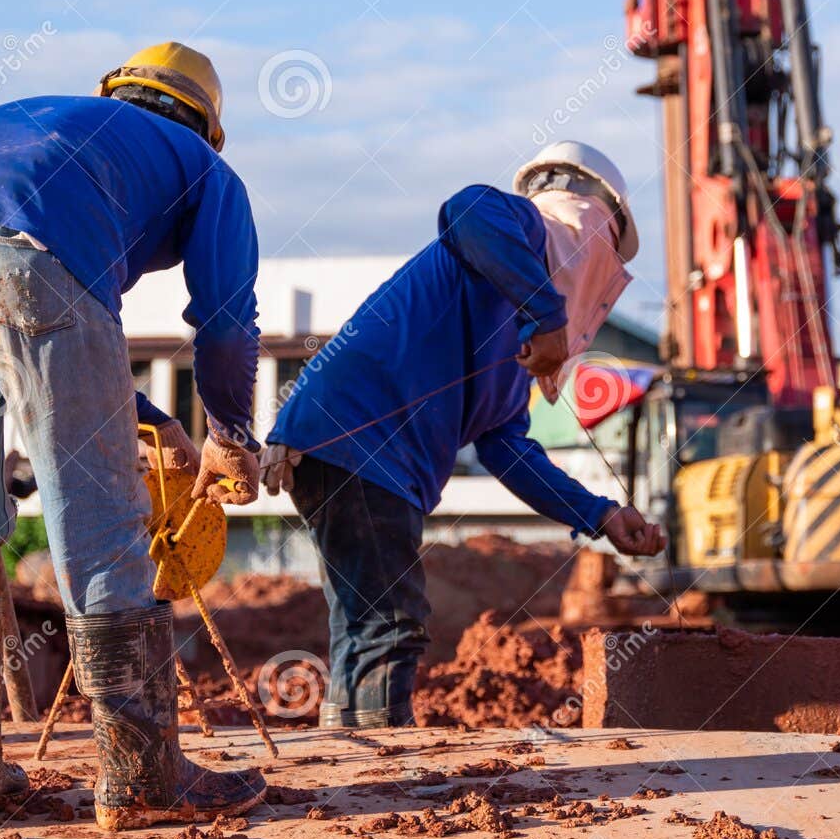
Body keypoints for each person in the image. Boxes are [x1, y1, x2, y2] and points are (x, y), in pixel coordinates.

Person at [0, 44, 265, 831]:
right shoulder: (204, 168)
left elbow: (58, 358)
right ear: (207, 125)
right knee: (101, 518)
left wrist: (158, 425)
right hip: (28, 243)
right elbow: (225, 320)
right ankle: (141, 775)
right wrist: (230, 429)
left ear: (118, 91)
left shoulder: (59, 125)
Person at [264, 141, 666, 729]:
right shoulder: (523, 229)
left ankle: (344, 756)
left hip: (346, 446)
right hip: (358, 443)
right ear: (592, 217)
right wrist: (548, 316)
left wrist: (601, 515)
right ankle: (378, 772)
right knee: (390, 622)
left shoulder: (512, 355)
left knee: (363, 620)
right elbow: (468, 207)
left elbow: (507, 449)